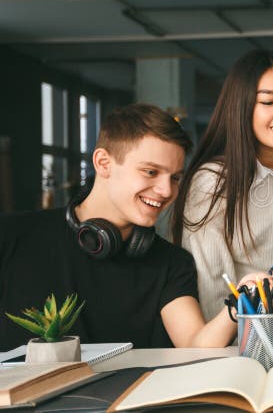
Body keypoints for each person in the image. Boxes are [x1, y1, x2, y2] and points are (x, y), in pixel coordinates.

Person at [0, 104, 259, 350]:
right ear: (103, 163)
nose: (166, 190)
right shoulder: (12, 236)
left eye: (175, 177)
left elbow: (194, 344)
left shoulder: (171, 263)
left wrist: (238, 306)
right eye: (150, 172)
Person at [171, 50, 273, 320]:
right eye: (267, 102)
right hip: (244, 326)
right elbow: (212, 287)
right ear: (241, 108)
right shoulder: (211, 181)